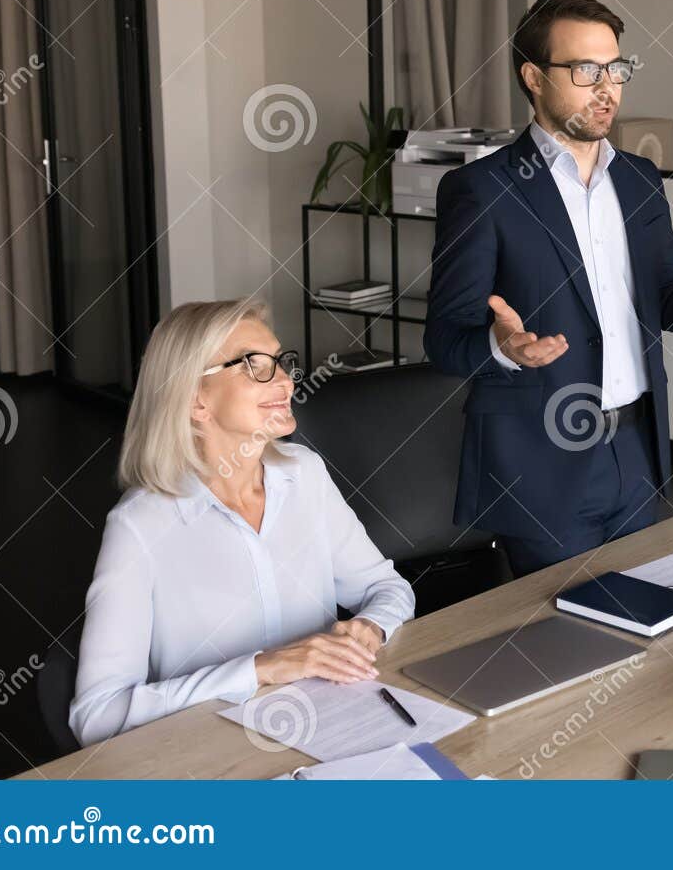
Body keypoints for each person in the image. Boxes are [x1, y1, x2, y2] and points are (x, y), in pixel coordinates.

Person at [425, 0, 673, 575]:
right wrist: (503, 348)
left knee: (641, 613)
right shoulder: (484, 190)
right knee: (560, 624)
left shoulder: (638, 178)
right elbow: (443, 339)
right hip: (539, 466)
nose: (607, 87)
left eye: (616, 69)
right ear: (534, 77)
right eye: (585, 70)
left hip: (636, 450)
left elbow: (664, 297)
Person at [69, 299, 415, 747]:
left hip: (332, 726)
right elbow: (97, 716)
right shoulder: (139, 525)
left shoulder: (304, 473)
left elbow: (386, 588)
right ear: (196, 399)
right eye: (255, 366)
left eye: (281, 363)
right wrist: (262, 668)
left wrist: (369, 626)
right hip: (213, 756)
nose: (287, 381)